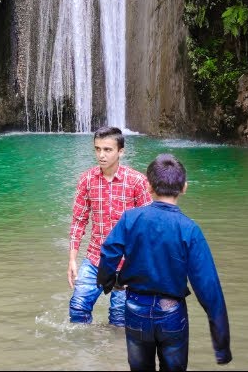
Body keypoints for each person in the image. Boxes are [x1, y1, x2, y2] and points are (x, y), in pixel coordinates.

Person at [96, 154, 231, 371]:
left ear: (148, 187)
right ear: (184, 187)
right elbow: (208, 287)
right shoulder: (189, 229)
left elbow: (109, 252)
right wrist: (221, 345)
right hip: (171, 312)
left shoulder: (131, 218)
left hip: (135, 307)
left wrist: (108, 282)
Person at [68, 126, 153, 326]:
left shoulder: (137, 181)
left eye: (107, 150)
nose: (101, 155)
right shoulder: (87, 179)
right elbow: (79, 221)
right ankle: (85, 353)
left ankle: (114, 355)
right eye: (97, 149)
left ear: (120, 151)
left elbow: (149, 225)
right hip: (95, 258)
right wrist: (72, 259)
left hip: (128, 263)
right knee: (78, 308)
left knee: (120, 318)